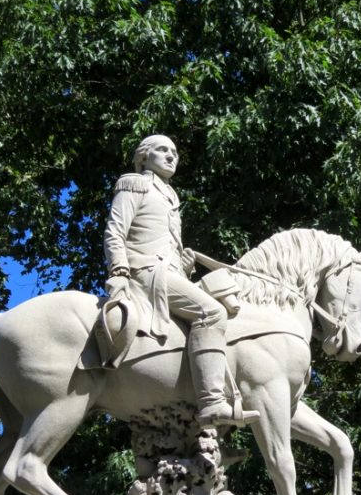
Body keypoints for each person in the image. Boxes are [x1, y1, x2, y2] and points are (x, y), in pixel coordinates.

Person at [101, 134, 258, 428]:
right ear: (144, 157)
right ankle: (212, 402)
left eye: (175, 151)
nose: (172, 156)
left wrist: (185, 267)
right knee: (211, 312)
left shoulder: (170, 196)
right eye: (163, 150)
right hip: (145, 271)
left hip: (169, 273)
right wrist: (119, 269)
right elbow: (114, 231)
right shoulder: (135, 183)